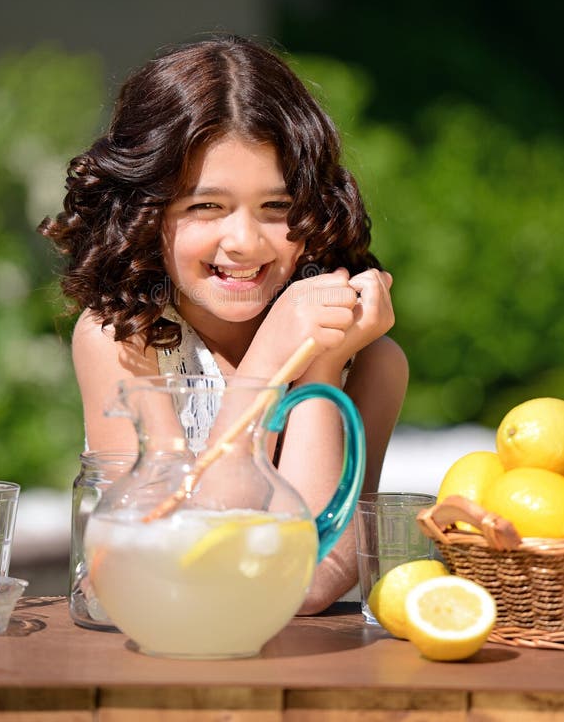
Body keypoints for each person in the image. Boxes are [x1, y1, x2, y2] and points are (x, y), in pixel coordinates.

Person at [40, 34, 408, 614]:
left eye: (278, 208)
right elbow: (186, 560)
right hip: (146, 656)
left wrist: (320, 365)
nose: (243, 241)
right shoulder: (123, 340)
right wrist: (269, 363)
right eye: (205, 206)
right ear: (145, 212)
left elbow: (308, 581)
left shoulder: (372, 362)